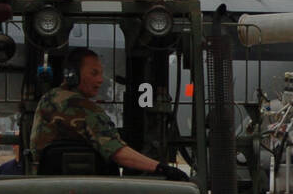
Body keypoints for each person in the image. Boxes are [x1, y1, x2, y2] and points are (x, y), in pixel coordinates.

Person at [29, 47, 187, 180]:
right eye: (94, 73)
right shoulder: (80, 106)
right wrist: (161, 168)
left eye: (100, 74)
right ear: (72, 75)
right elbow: (118, 153)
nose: (100, 80)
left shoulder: (49, 98)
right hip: (79, 189)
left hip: (48, 185)